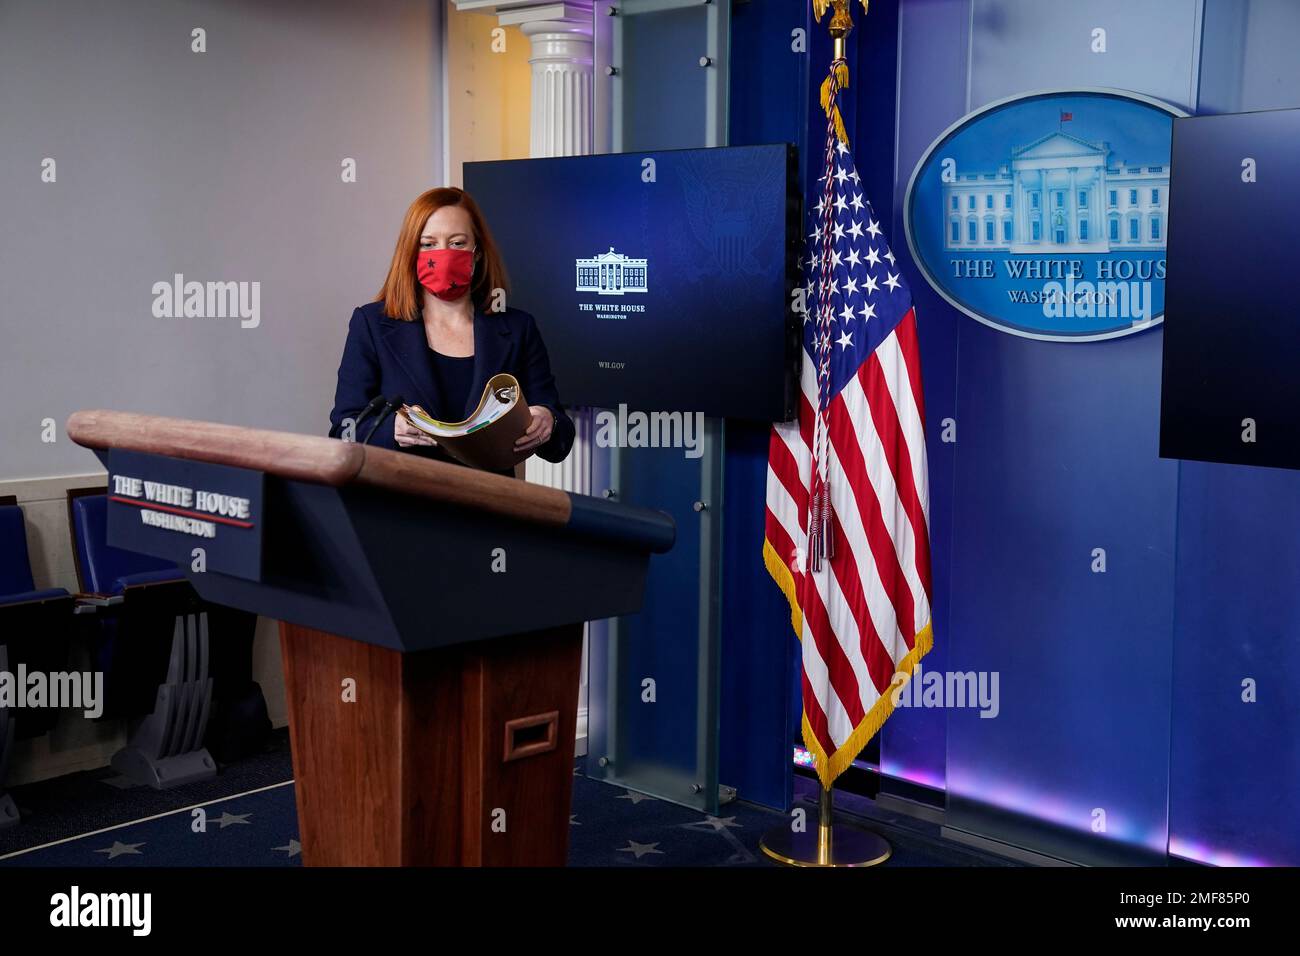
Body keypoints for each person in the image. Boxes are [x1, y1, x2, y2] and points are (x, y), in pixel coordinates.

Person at [329, 186, 574, 472]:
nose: (443, 254)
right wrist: (390, 430)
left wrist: (548, 421)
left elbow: (560, 442)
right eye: (428, 244)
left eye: (457, 243)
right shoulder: (371, 324)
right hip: (400, 506)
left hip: (489, 505)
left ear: (478, 252)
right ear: (411, 252)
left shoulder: (518, 328)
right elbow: (343, 430)